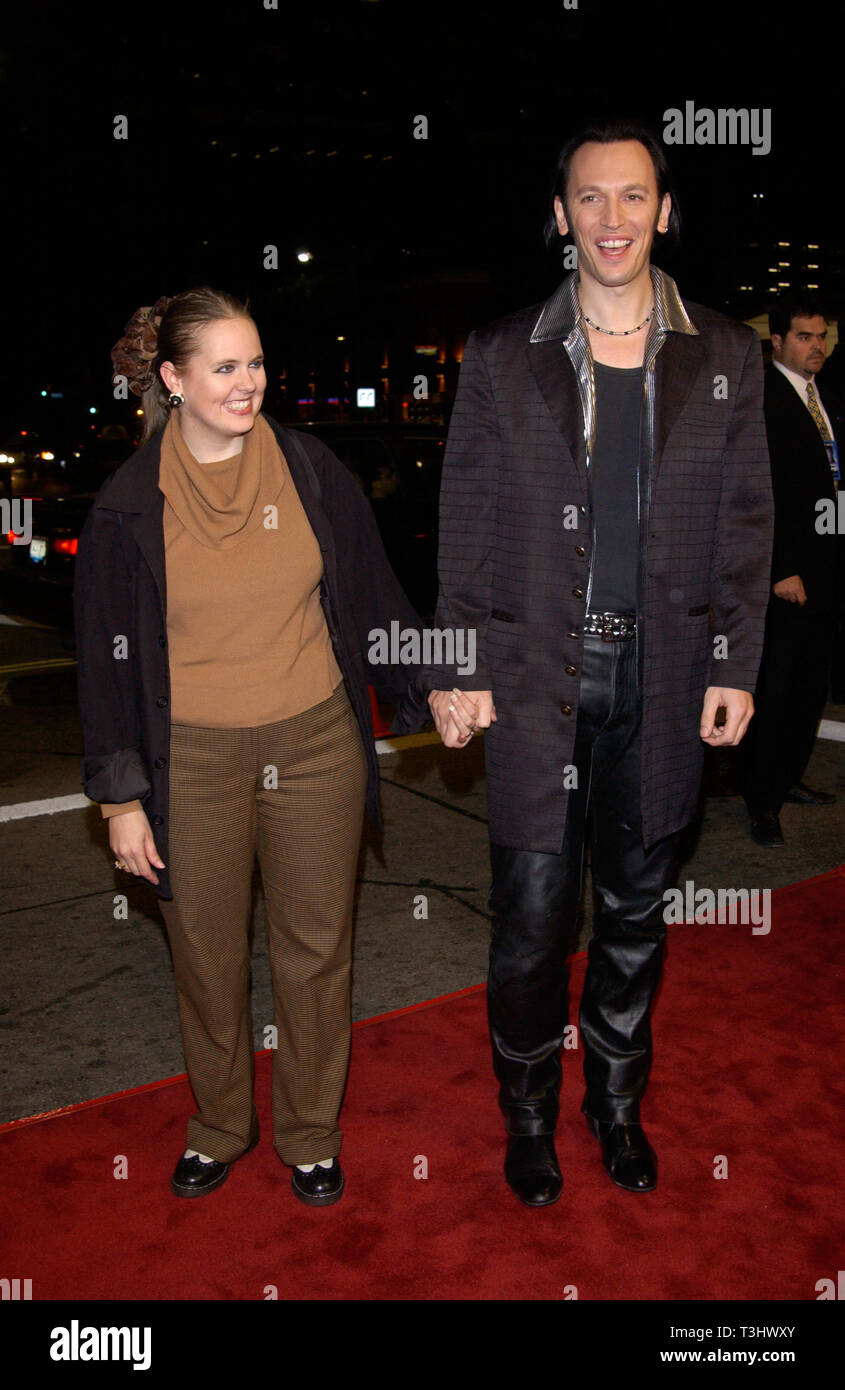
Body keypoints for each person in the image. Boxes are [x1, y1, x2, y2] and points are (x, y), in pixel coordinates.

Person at [408, 120, 773, 1204]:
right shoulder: (496, 354)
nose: (610, 219)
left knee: (631, 914)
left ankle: (613, 1105)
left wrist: (734, 663)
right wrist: (450, 664)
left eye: (632, 197)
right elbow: (463, 524)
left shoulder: (727, 353)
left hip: (662, 686)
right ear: (559, 214)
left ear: (664, 211)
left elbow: (746, 524)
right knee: (529, 919)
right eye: (588, 198)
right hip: (529, 687)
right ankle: (527, 1116)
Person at [74, 287, 428, 1206]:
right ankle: (221, 1124)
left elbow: (377, 598)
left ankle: (310, 1132)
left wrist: (433, 685)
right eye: (224, 367)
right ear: (173, 379)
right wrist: (120, 798)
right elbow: (106, 667)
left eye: (256, 363)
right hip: (189, 758)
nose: (247, 383)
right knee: (206, 952)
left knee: (315, 948)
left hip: (316, 742)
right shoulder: (125, 507)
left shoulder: (310, 471)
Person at [740, 293, 845, 845]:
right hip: (787, 575)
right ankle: (762, 801)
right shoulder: (764, 399)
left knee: (811, 685)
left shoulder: (819, 395)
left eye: (822, 337)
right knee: (776, 686)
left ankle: (788, 778)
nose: (817, 347)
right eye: (805, 337)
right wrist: (780, 566)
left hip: (826, 566)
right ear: (776, 342)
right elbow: (760, 492)